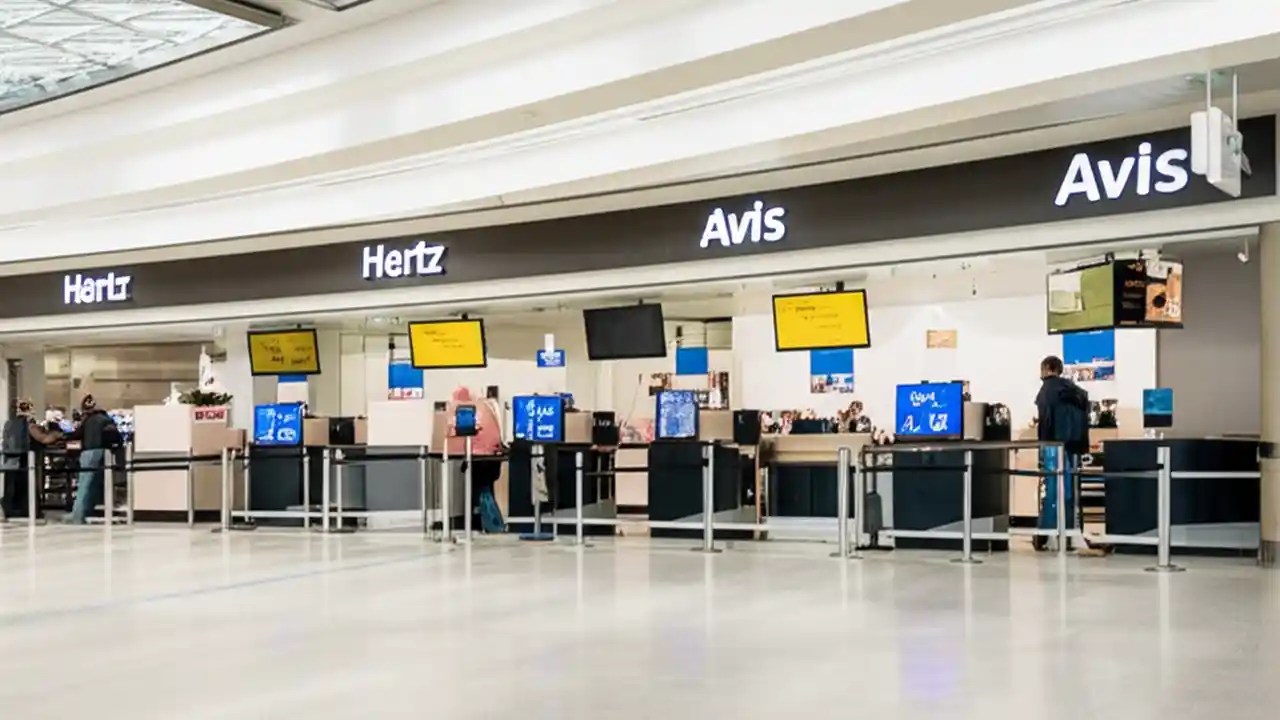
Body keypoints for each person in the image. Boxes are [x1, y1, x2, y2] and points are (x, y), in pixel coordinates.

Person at [1034, 355, 1090, 550]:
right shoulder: (1076, 390)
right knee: (1070, 493)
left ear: (1048, 369)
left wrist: (1043, 446)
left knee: (1053, 491)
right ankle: (1071, 534)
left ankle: (1048, 536)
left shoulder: (1047, 390)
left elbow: (1046, 420)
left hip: (1054, 446)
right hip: (1074, 446)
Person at [447, 387, 505, 532]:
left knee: (481, 494)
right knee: (486, 491)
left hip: (479, 459)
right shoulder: (485, 406)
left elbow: (457, 434)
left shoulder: (466, 410)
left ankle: (490, 525)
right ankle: (489, 524)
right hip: (492, 458)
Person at [1, 400, 63, 520]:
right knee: (27, 488)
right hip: (25, 460)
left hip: (10, 460)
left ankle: (11, 510)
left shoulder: (8, 424)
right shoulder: (29, 424)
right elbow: (43, 439)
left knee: (11, 488)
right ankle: (29, 510)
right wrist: (57, 435)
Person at [66, 395, 119, 525]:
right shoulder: (106, 419)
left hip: (88, 452)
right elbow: (115, 437)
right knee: (94, 484)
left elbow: (76, 435)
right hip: (102, 452)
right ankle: (88, 511)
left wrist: (62, 438)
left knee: (84, 484)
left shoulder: (87, 420)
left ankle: (78, 515)